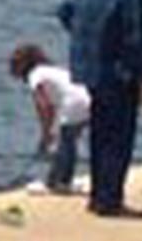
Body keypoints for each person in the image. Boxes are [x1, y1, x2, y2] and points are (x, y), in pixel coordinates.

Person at [58, 0, 142, 216]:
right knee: (119, 138)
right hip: (120, 74)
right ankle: (110, 200)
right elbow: (136, 40)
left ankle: (97, 197)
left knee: (99, 134)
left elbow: (64, 12)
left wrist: (87, 40)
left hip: (91, 72)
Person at [7, 42, 89, 196]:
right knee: (67, 140)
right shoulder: (49, 70)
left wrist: (45, 133)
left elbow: (44, 106)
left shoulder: (35, 75)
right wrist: (51, 131)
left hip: (75, 103)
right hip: (87, 97)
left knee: (65, 141)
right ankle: (58, 180)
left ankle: (60, 182)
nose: (12, 69)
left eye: (15, 64)